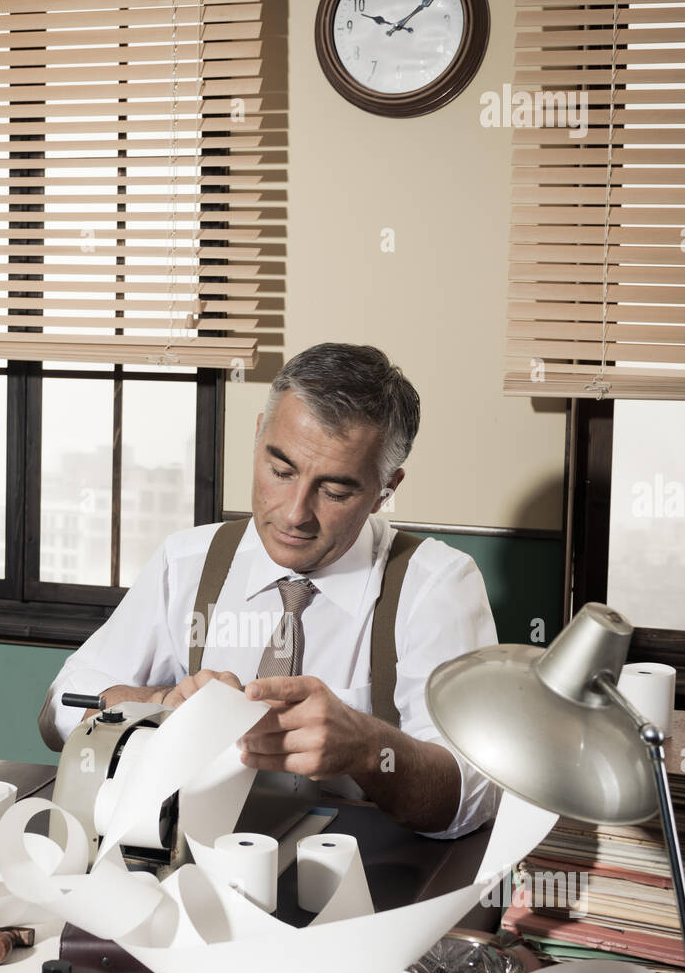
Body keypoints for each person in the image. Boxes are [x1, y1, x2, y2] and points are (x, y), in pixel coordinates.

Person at [39, 343, 499, 838]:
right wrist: (159, 703)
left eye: (335, 491)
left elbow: (474, 796)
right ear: (258, 434)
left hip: (364, 873)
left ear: (386, 489)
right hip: (194, 860)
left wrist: (371, 751)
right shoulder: (187, 562)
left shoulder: (437, 588)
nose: (295, 512)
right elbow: (59, 707)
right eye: (280, 471)